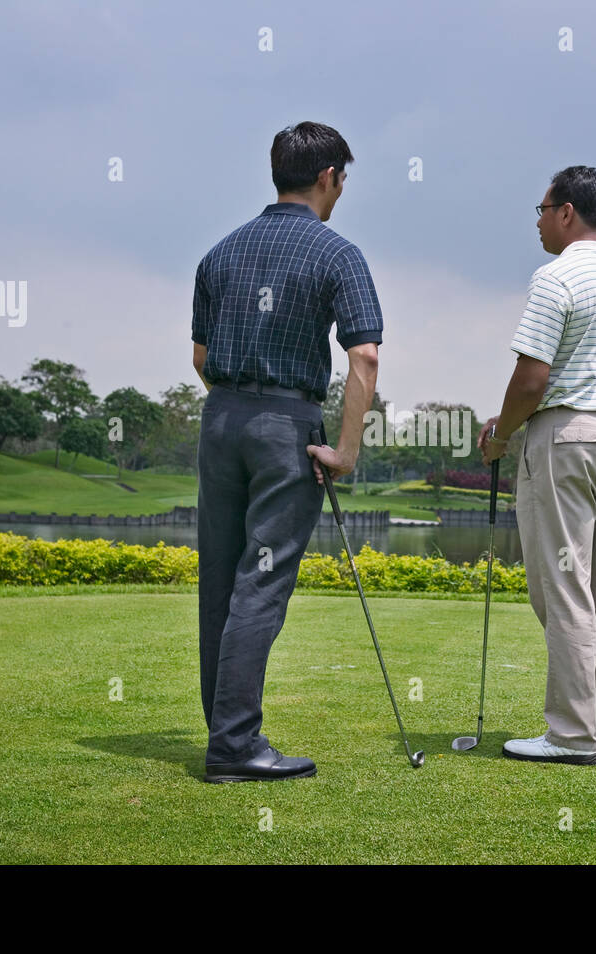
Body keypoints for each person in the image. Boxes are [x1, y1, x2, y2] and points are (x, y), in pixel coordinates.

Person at [191, 121, 383, 783]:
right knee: (261, 582)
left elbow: (201, 358)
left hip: (219, 420)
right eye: (342, 179)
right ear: (329, 177)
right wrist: (346, 451)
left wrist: (237, 409)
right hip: (286, 425)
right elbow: (365, 355)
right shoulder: (338, 254)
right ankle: (236, 746)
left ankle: (225, 733)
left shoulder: (219, 254)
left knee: (220, 579)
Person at [478, 165, 596, 765]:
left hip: (566, 437)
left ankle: (571, 737)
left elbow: (531, 379)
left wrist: (500, 433)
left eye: (543, 210)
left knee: (564, 587)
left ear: (567, 211)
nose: (540, 221)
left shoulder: (554, 277)